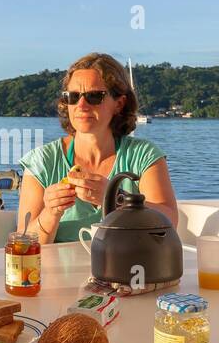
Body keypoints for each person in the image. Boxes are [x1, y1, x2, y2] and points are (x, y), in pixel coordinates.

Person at [16, 53, 177, 243]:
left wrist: (116, 199)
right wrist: (51, 212)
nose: (81, 105)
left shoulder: (144, 156)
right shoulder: (42, 162)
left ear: (119, 103)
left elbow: (169, 223)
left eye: (94, 96)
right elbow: (24, 243)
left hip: (128, 270)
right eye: (73, 97)